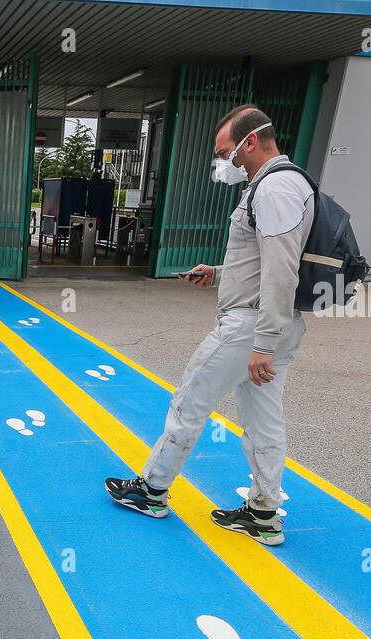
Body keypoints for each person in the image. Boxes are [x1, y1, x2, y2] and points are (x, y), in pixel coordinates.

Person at [104, 104, 315, 547]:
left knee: (190, 402)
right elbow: (264, 261)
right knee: (264, 421)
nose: (223, 162)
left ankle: (152, 491)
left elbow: (281, 270)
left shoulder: (275, 189)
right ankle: (263, 513)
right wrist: (218, 273)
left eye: (226, 152)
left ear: (250, 142)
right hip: (271, 324)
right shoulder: (285, 184)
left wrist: (263, 341)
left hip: (250, 328)